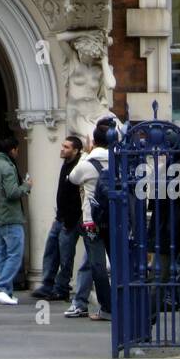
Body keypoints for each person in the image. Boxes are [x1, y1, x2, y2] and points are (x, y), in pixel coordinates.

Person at [65, 121, 115, 321]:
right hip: (114, 218)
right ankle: (121, 303)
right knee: (118, 262)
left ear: (93, 142)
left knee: (98, 265)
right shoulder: (118, 160)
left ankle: (107, 307)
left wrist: (86, 153)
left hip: (91, 220)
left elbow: (72, 178)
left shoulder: (87, 163)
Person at [31, 133, 84, 303]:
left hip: (71, 220)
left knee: (66, 256)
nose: (62, 149)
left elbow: (77, 197)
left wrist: (70, 220)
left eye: (66, 147)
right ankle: (48, 285)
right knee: (51, 251)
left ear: (76, 151)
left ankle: (62, 288)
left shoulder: (79, 166)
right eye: (62, 146)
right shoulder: (66, 164)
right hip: (60, 217)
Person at [0, 136, 30, 305]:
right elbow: (12, 192)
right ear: (12, 150)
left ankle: (6, 291)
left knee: (1, 254)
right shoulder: (8, 167)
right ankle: (2, 287)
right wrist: (27, 186)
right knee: (15, 254)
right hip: (11, 216)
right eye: (17, 150)